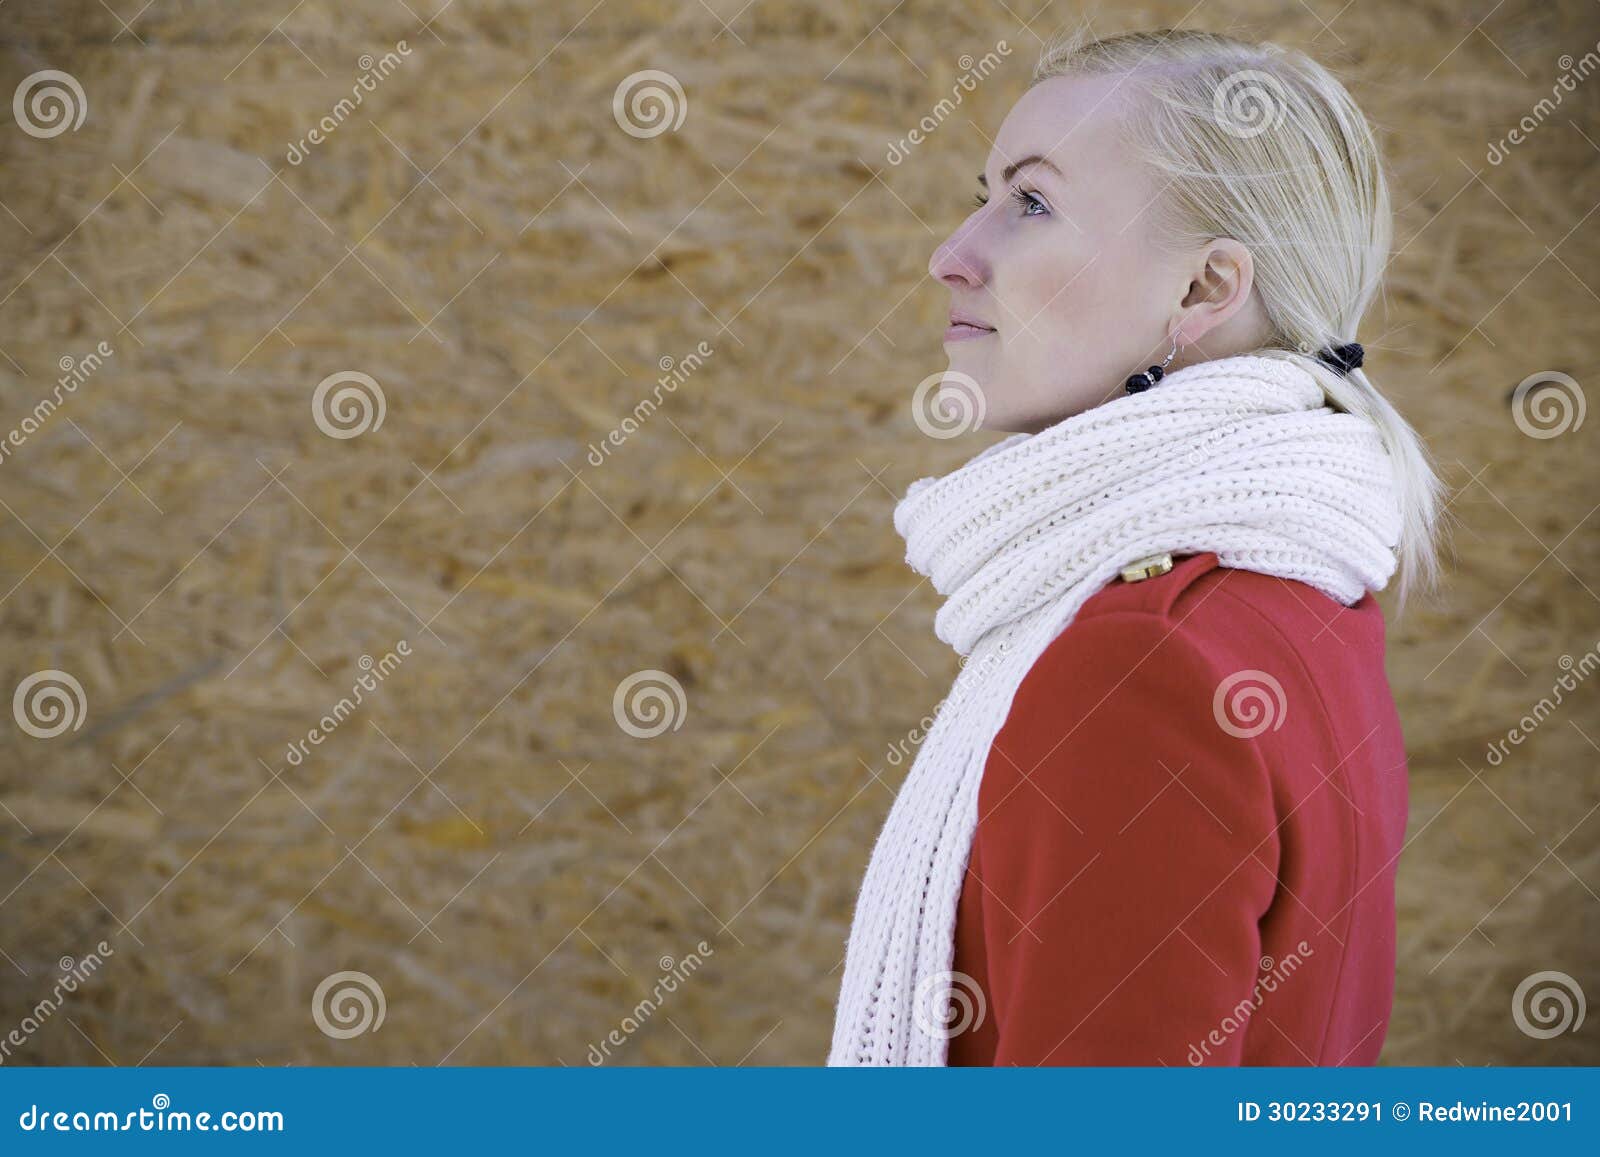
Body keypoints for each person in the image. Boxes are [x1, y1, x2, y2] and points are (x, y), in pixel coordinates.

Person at [827, 27, 1445, 1067]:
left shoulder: (1139, 667)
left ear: (1203, 290)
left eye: (1030, 203)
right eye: (983, 195)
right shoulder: (1304, 603)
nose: (952, 254)